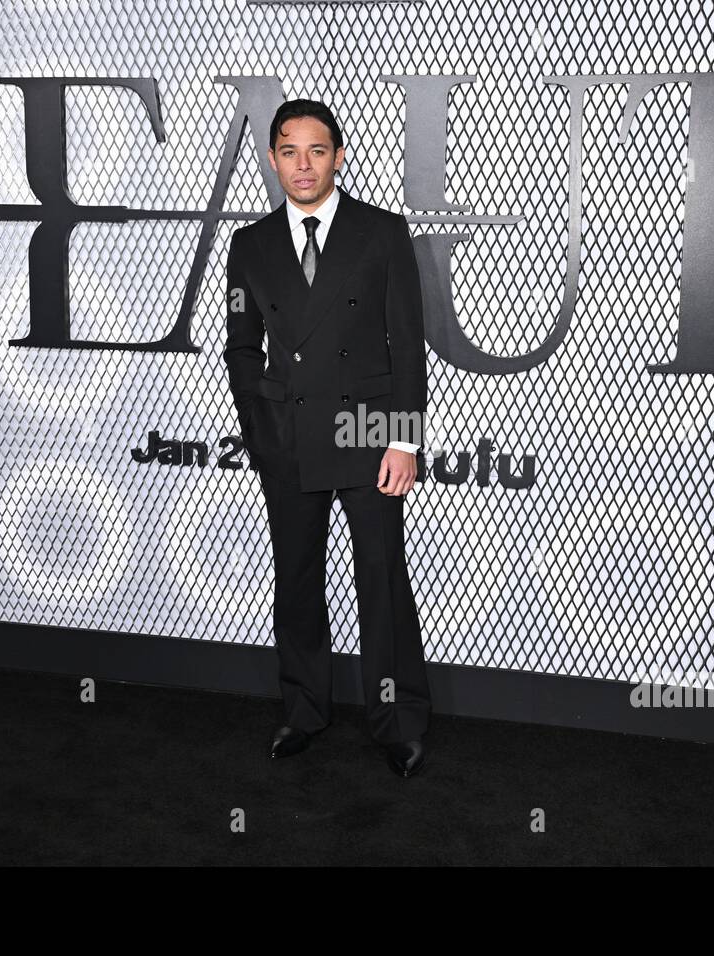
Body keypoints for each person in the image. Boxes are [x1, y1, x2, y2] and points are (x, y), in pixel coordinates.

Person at [222, 99, 431, 777]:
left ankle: (397, 721)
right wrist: (259, 429)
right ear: (273, 159)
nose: (303, 165)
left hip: (369, 433)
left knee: (382, 582)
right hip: (288, 437)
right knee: (296, 579)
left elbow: (407, 345)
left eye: (317, 151)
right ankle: (304, 709)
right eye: (289, 152)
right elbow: (241, 345)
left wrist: (403, 440)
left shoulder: (382, 232)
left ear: (338, 157)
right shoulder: (250, 244)